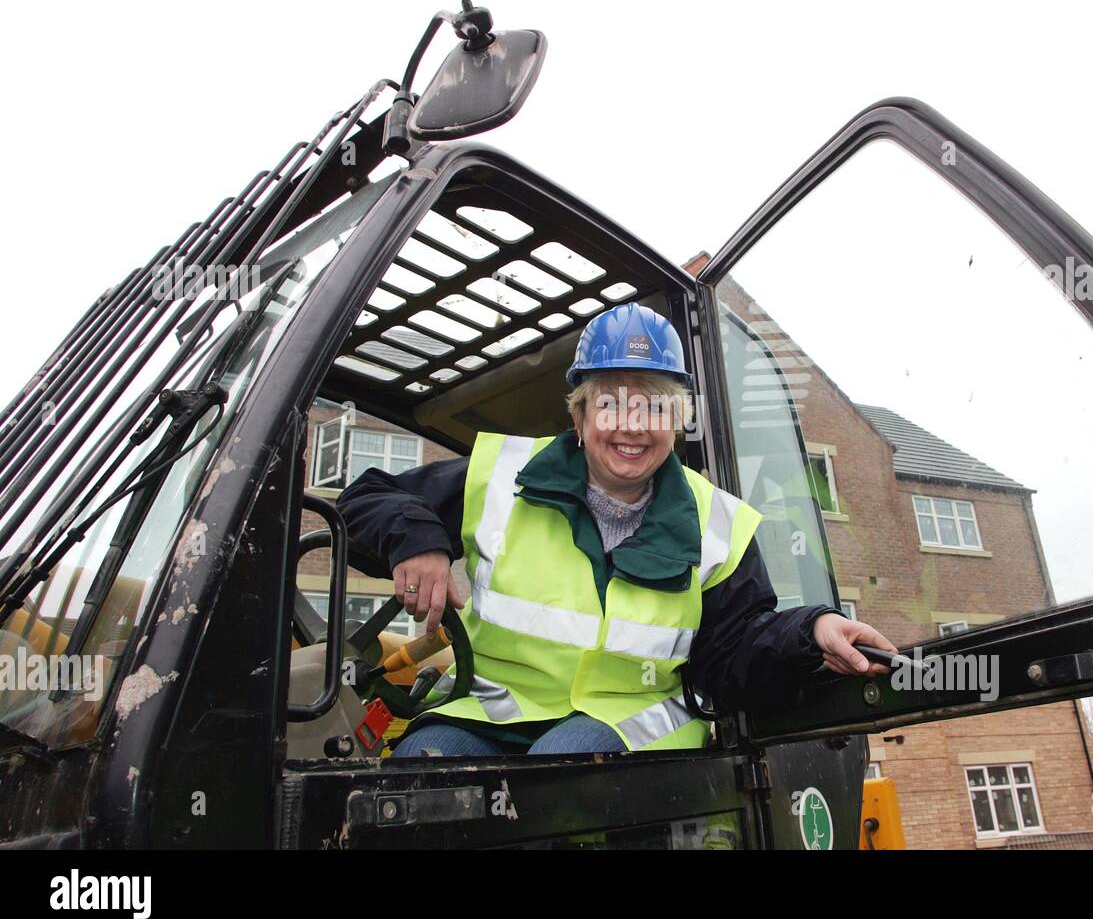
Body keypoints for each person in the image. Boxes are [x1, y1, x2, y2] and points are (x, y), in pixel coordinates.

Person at [335, 302, 896, 757]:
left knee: (561, 773)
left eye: (652, 406)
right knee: (415, 772)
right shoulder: (501, 474)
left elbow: (731, 655)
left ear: (675, 423)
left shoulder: (720, 524)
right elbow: (365, 497)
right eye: (610, 403)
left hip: (631, 718)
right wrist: (418, 539)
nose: (631, 425)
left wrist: (810, 630)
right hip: (490, 710)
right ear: (579, 418)